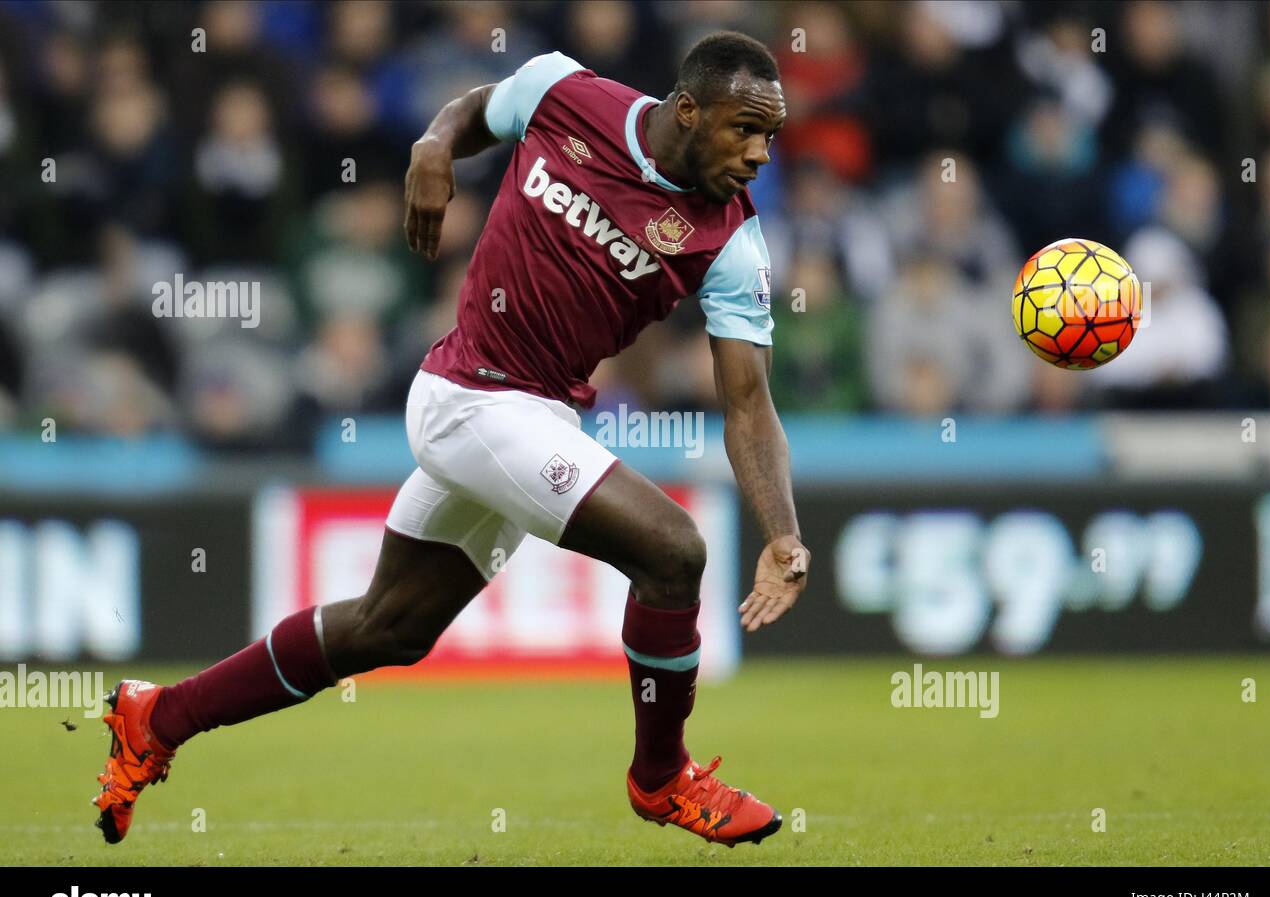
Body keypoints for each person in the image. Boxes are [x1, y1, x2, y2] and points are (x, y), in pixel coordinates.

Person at [92, 32, 811, 849]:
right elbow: (474, 110)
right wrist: (434, 147)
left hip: (536, 418)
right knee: (674, 551)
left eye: (770, 138)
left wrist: (783, 531)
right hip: (469, 397)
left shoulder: (732, 239)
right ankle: (661, 780)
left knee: (388, 627)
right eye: (743, 130)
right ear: (689, 110)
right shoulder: (564, 92)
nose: (759, 154)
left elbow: (748, 403)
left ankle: (156, 719)